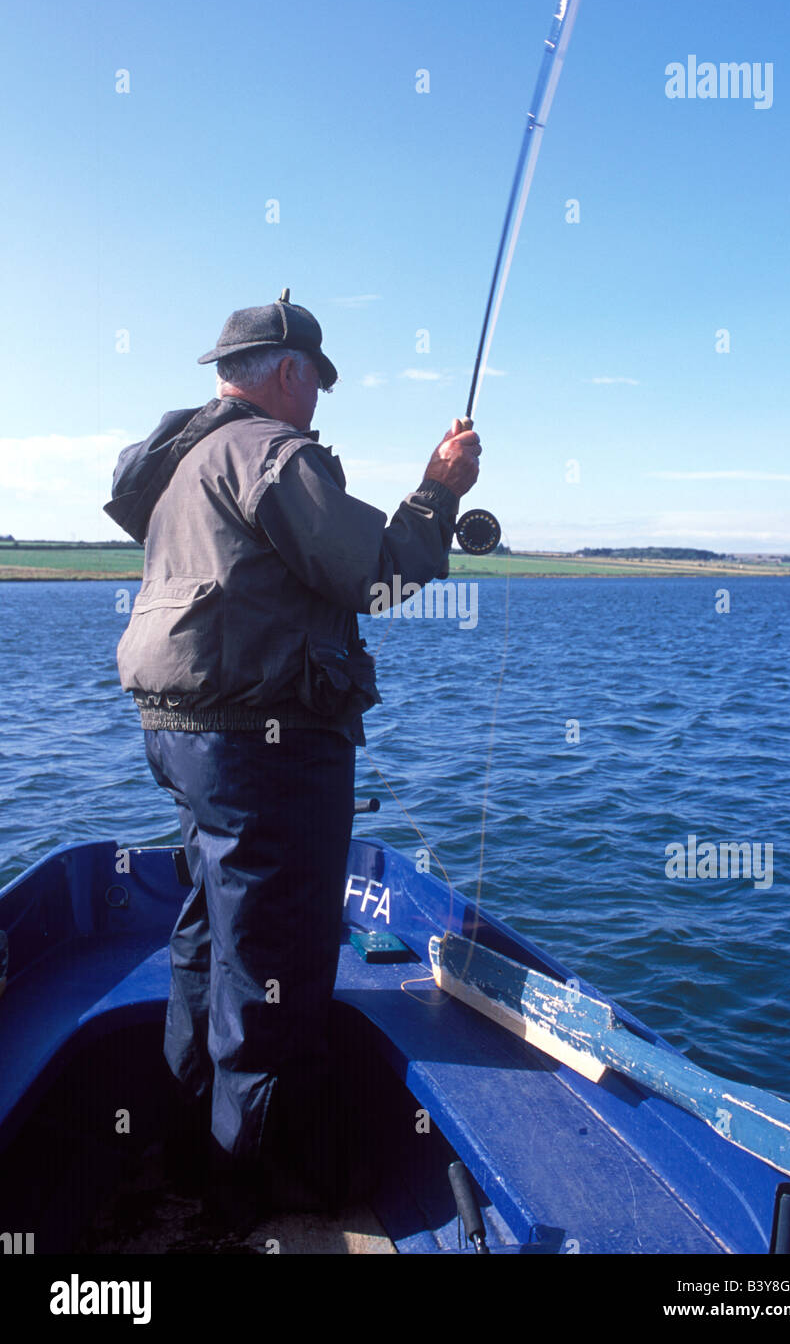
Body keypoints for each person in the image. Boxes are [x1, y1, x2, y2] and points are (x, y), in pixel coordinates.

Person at [105, 288, 481, 1227]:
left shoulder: (183, 463)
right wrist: (440, 491)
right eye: (317, 380)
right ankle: (249, 1195)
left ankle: (184, 1158)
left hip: (182, 741)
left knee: (208, 946)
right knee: (272, 967)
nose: (320, 400)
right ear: (288, 372)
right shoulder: (273, 452)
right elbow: (383, 570)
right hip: (262, 752)